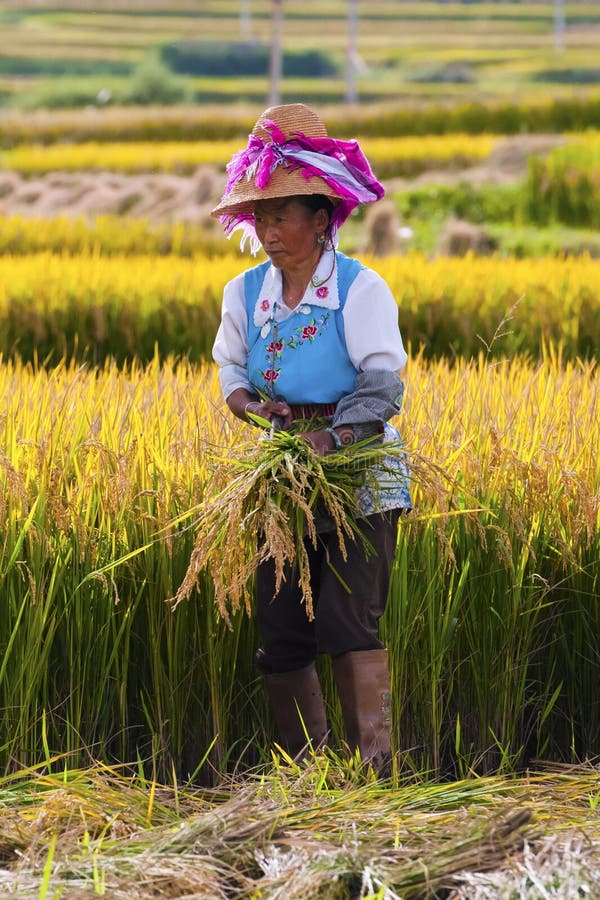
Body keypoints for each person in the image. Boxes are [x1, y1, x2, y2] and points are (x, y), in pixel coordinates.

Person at [211, 103, 411, 772]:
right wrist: (253, 409)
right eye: (259, 217)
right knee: (280, 630)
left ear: (322, 218)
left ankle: (372, 773)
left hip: (359, 473)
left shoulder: (360, 290)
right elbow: (230, 370)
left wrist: (336, 436)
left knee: (350, 623)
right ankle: (306, 775)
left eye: (281, 215)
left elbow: (383, 383)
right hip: (284, 477)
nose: (267, 230)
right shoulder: (244, 295)